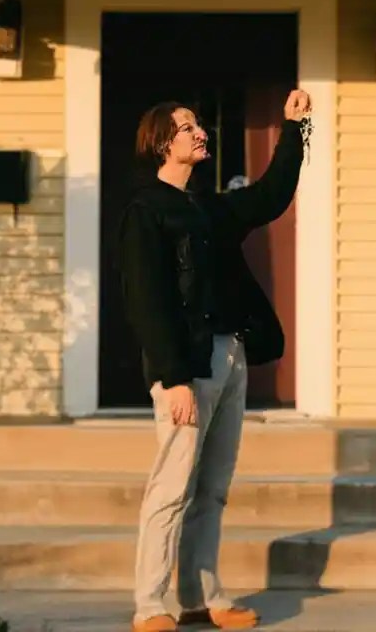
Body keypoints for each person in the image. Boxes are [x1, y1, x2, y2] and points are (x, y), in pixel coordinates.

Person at [117, 89, 312, 632]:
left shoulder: (212, 207)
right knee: (172, 487)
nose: (201, 132)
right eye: (188, 127)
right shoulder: (145, 211)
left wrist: (294, 128)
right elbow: (146, 301)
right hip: (187, 366)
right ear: (162, 143)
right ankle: (150, 604)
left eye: (200, 124)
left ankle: (201, 598)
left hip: (231, 355)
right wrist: (174, 377)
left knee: (213, 488)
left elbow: (271, 196)